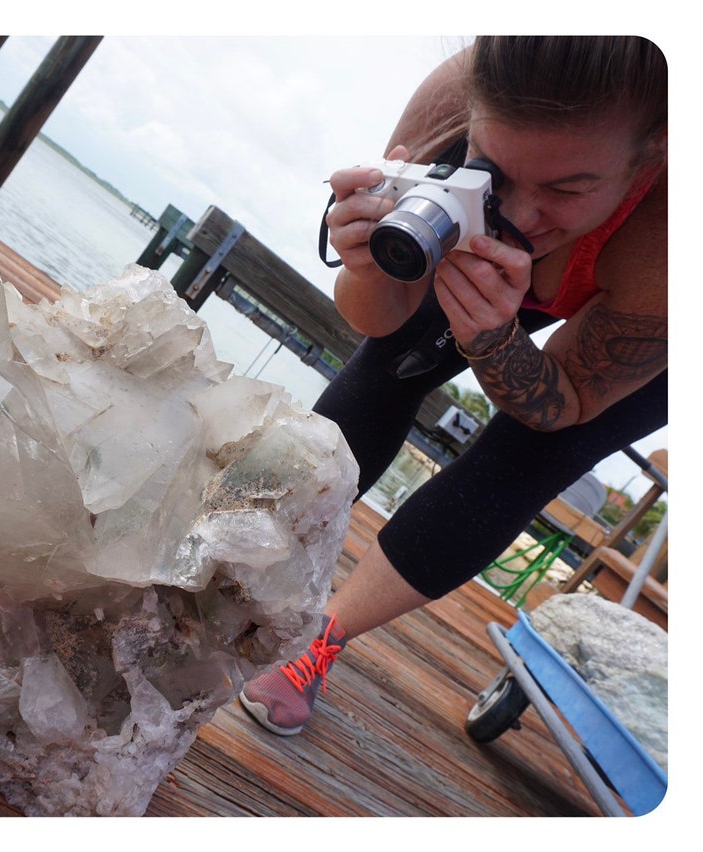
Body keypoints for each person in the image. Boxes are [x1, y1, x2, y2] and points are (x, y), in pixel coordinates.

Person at [239, 36, 668, 736]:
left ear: (657, 148)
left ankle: (322, 639)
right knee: (398, 360)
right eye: (494, 172)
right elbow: (378, 325)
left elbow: (568, 406)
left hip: (656, 320)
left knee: (526, 459)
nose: (523, 217)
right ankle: (240, 563)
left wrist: (494, 339)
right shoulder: (453, 99)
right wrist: (368, 266)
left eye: (565, 188)